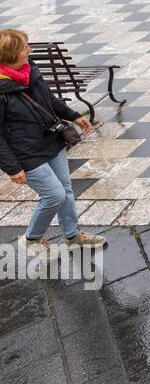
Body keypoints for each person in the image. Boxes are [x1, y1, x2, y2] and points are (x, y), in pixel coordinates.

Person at [0, 30, 104, 260]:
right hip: (26, 154)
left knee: (66, 190)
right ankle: (33, 238)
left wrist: (74, 115)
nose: (30, 51)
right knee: (54, 195)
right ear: (9, 55)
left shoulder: (29, 70)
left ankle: (72, 235)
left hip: (51, 142)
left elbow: (49, 100)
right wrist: (12, 168)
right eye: (24, 48)